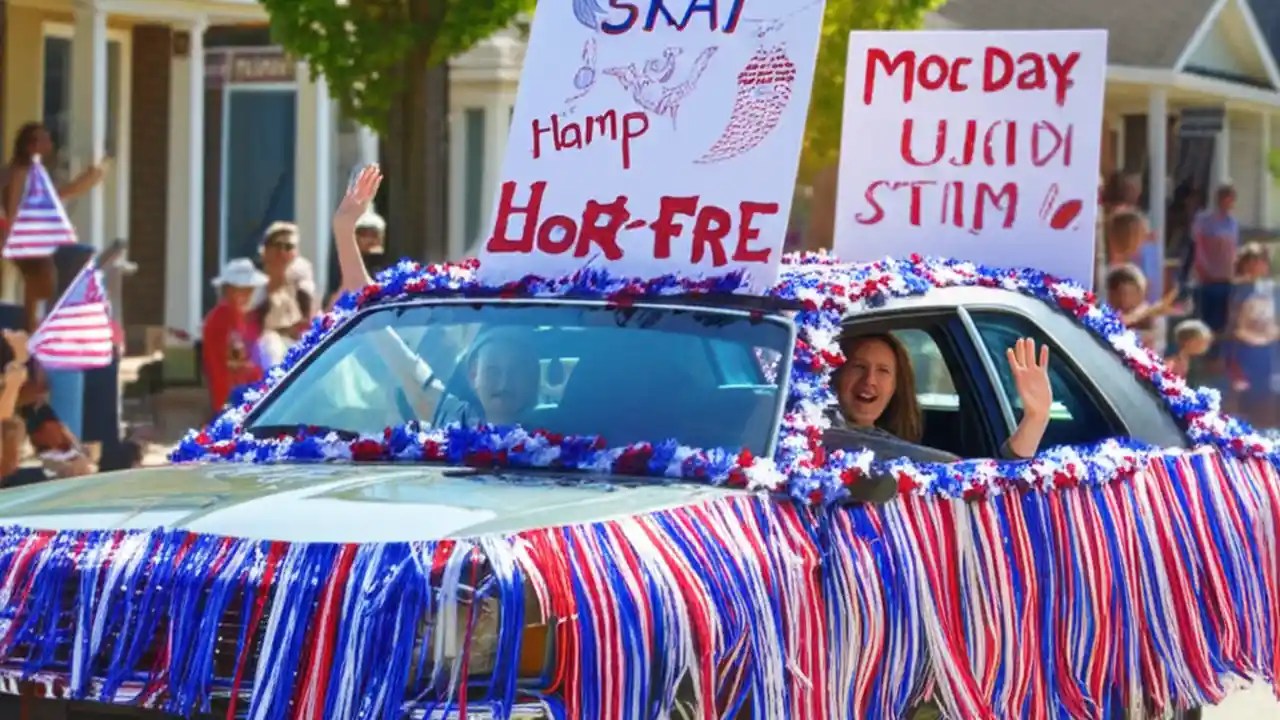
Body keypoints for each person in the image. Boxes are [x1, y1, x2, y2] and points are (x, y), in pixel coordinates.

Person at [825, 333, 1053, 465]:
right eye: (858, 367)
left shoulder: (895, 446)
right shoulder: (812, 438)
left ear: (896, 385)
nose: (870, 380)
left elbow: (997, 485)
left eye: (883, 371)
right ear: (836, 374)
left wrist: (1036, 417)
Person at [202, 258, 266, 416]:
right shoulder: (224, 316)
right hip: (231, 398)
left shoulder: (236, 315)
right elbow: (235, 360)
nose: (248, 293)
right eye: (242, 288)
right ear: (228, 289)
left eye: (250, 288)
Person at [1225, 243, 1277, 427]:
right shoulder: (1237, 289)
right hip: (1243, 348)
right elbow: (1232, 321)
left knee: (1266, 393)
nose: (1257, 266)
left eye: (1261, 261)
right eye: (1252, 261)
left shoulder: (1272, 288)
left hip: (1268, 349)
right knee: (1241, 392)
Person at [253, 222, 314, 368]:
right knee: (271, 346)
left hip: (294, 342)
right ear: (266, 250)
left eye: (288, 247)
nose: (282, 252)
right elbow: (250, 325)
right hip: (263, 345)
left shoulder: (300, 283)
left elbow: (310, 319)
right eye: (277, 245)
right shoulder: (255, 283)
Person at [1191, 185, 1240, 339]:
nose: (1229, 203)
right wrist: (1203, 268)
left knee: (1224, 321)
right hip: (1208, 278)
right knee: (1207, 321)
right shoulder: (1204, 220)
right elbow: (1198, 246)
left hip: (1226, 278)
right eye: (1226, 199)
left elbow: (1233, 249)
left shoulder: (1232, 223)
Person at [1105, 264, 1177, 350]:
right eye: (1117, 294)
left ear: (1141, 294)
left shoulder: (1155, 320)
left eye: (1131, 294)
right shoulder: (1103, 314)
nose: (1124, 300)